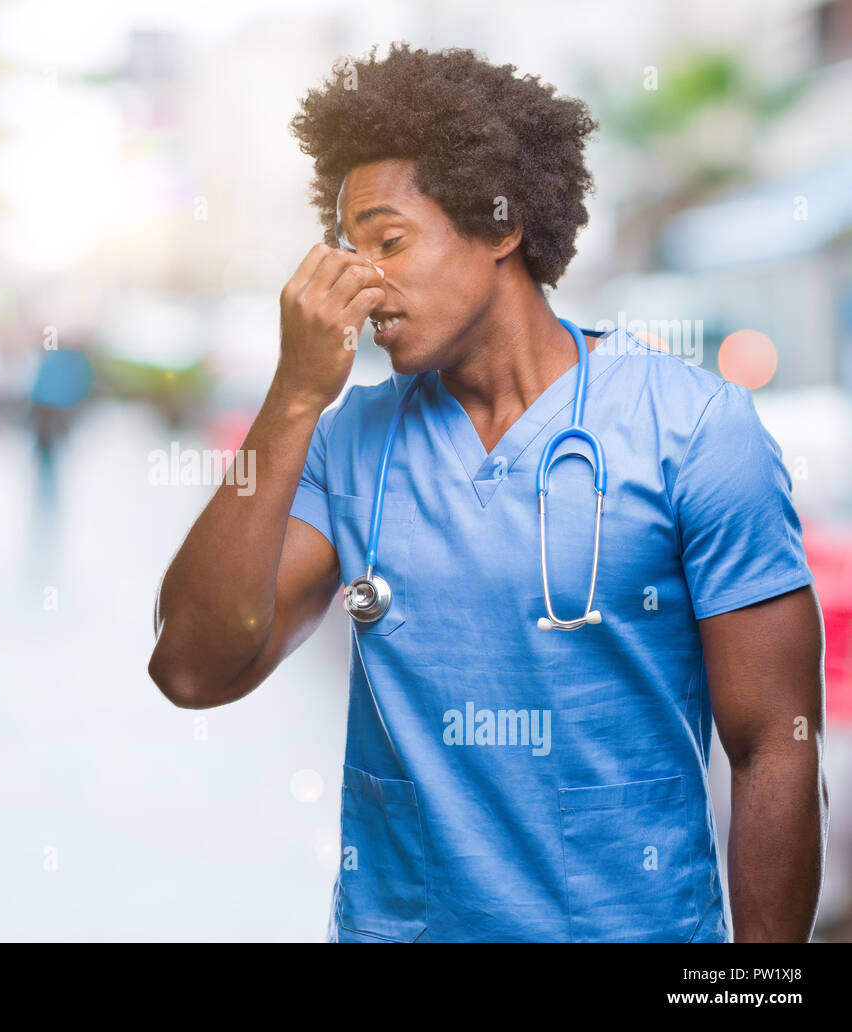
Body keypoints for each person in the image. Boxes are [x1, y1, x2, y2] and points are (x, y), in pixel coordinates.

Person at [148, 44, 827, 943]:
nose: (363, 285)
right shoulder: (348, 442)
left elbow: (775, 747)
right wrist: (295, 396)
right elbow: (191, 666)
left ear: (501, 227)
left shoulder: (695, 431)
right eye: (349, 251)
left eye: (389, 243)